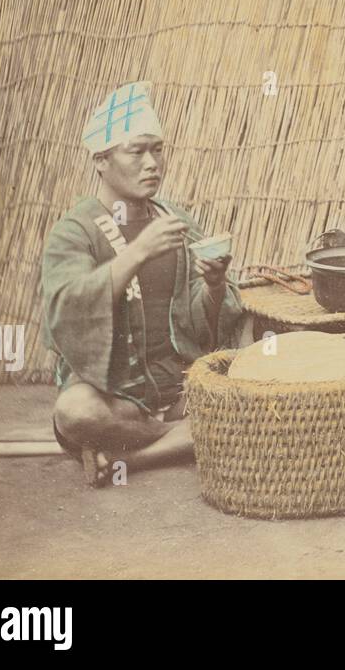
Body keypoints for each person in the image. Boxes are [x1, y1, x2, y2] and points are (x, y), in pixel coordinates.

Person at [42, 82, 244, 487]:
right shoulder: (75, 230)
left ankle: (133, 457)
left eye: (158, 149)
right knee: (75, 412)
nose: (152, 163)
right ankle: (195, 437)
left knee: (246, 389)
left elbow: (204, 322)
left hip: (179, 388)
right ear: (101, 160)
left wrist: (215, 286)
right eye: (136, 151)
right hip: (116, 396)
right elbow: (66, 308)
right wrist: (136, 253)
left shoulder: (175, 221)